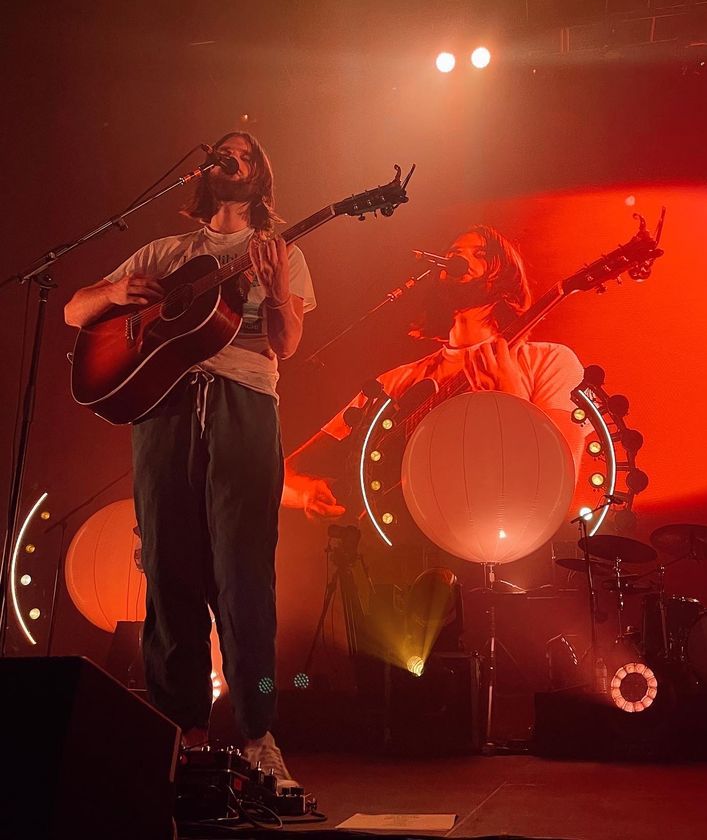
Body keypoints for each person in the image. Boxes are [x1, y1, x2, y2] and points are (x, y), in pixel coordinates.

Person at [64, 132, 315, 781]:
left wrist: (279, 286)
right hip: (163, 409)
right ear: (208, 173)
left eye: (248, 153)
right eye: (225, 152)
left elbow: (285, 344)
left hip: (245, 405)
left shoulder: (279, 251)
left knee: (244, 575)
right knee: (169, 573)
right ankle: (183, 734)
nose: (234, 159)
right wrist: (117, 295)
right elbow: (74, 309)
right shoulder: (164, 252)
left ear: (261, 175)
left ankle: (259, 733)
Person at [282, 225, 585, 532]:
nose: (459, 257)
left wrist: (512, 398)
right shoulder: (396, 380)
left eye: (481, 254)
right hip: (398, 547)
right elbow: (282, 476)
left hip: (500, 541)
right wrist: (307, 493)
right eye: (454, 253)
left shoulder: (548, 360)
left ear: (506, 275)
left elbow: (561, 481)